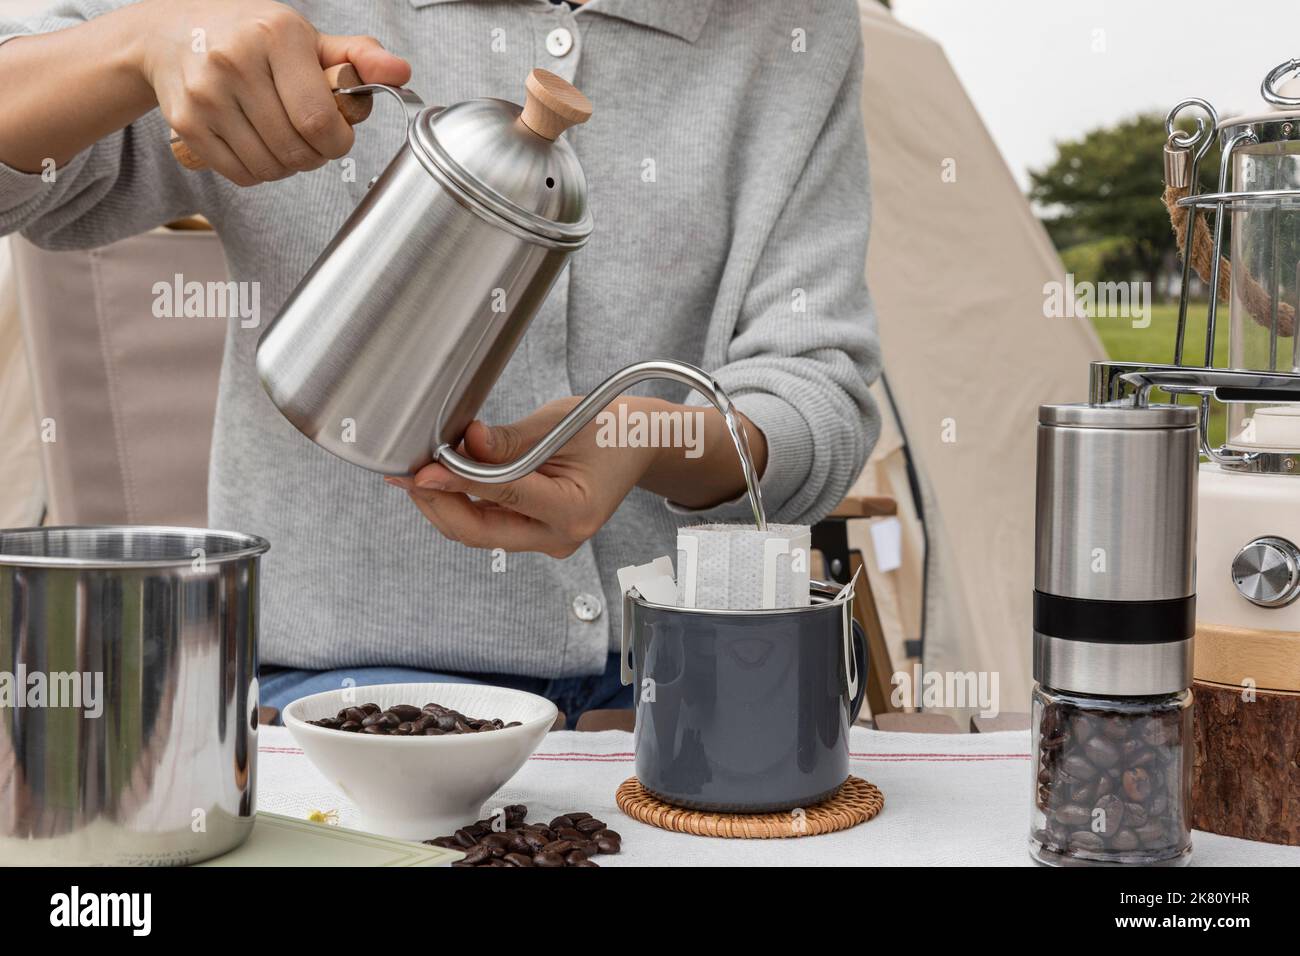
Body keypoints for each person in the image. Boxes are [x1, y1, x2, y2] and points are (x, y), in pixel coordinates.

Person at [0, 0, 881, 723]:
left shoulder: (790, 28)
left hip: (686, 691)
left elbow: (817, 394)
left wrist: (648, 438)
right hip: (341, 697)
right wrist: (139, 43)